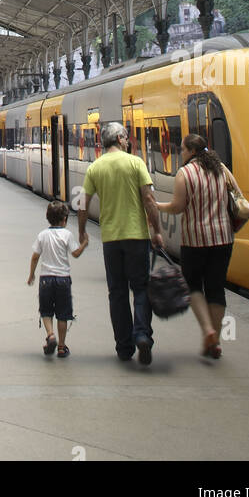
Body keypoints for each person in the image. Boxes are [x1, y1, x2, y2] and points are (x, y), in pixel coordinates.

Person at [77, 121, 164, 365]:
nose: (127, 141)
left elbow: (82, 203)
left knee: (117, 293)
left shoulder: (95, 167)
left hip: (111, 239)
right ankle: (142, 334)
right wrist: (157, 231)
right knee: (141, 288)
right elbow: (149, 199)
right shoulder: (135, 163)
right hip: (137, 237)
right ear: (120, 139)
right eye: (126, 137)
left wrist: (82, 232)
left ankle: (124, 348)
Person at [157, 132, 238, 359]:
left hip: (195, 239)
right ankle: (216, 340)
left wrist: (157, 206)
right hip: (223, 238)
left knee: (193, 286)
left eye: (183, 149)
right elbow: (237, 197)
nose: (181, 153)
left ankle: (207, 329)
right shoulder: (221, 169)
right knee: (216, 288)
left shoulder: (185, 173)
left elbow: (177, 207)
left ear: (191, 151)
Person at [27, 200, 88, 356]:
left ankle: (50, 335)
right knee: (63, 314)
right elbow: (75, 253)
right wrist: (84, 244)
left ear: (48, 218)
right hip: (63, 279)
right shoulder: (67, 235)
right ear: (65, 219)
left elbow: (35, 257)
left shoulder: (42, 235)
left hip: (46, 279)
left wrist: (31, 274)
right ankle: (61, 346)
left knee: (46, 311)